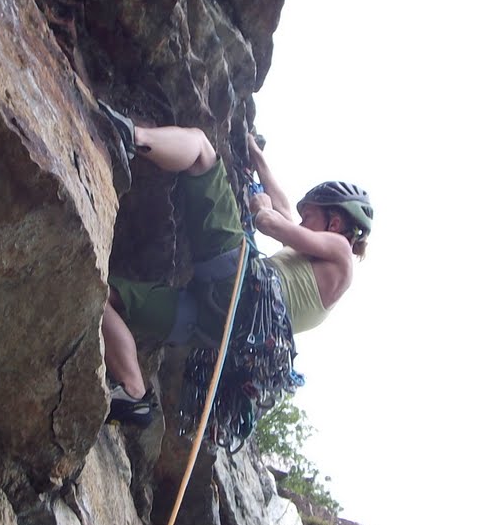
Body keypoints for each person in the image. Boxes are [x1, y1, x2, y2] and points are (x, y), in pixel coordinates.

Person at [98, 107, 372, 426]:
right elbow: (283, 206)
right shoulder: (318, 269)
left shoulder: (339, 249)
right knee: (101, 296)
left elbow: (272, 221)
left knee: (201, 150)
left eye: (309, 216)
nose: (301, 221)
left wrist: (261, 210)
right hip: (216, 327)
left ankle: (130, 136)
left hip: (237, 283)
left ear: (335, 222)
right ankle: (134, 393)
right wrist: (256, 156)